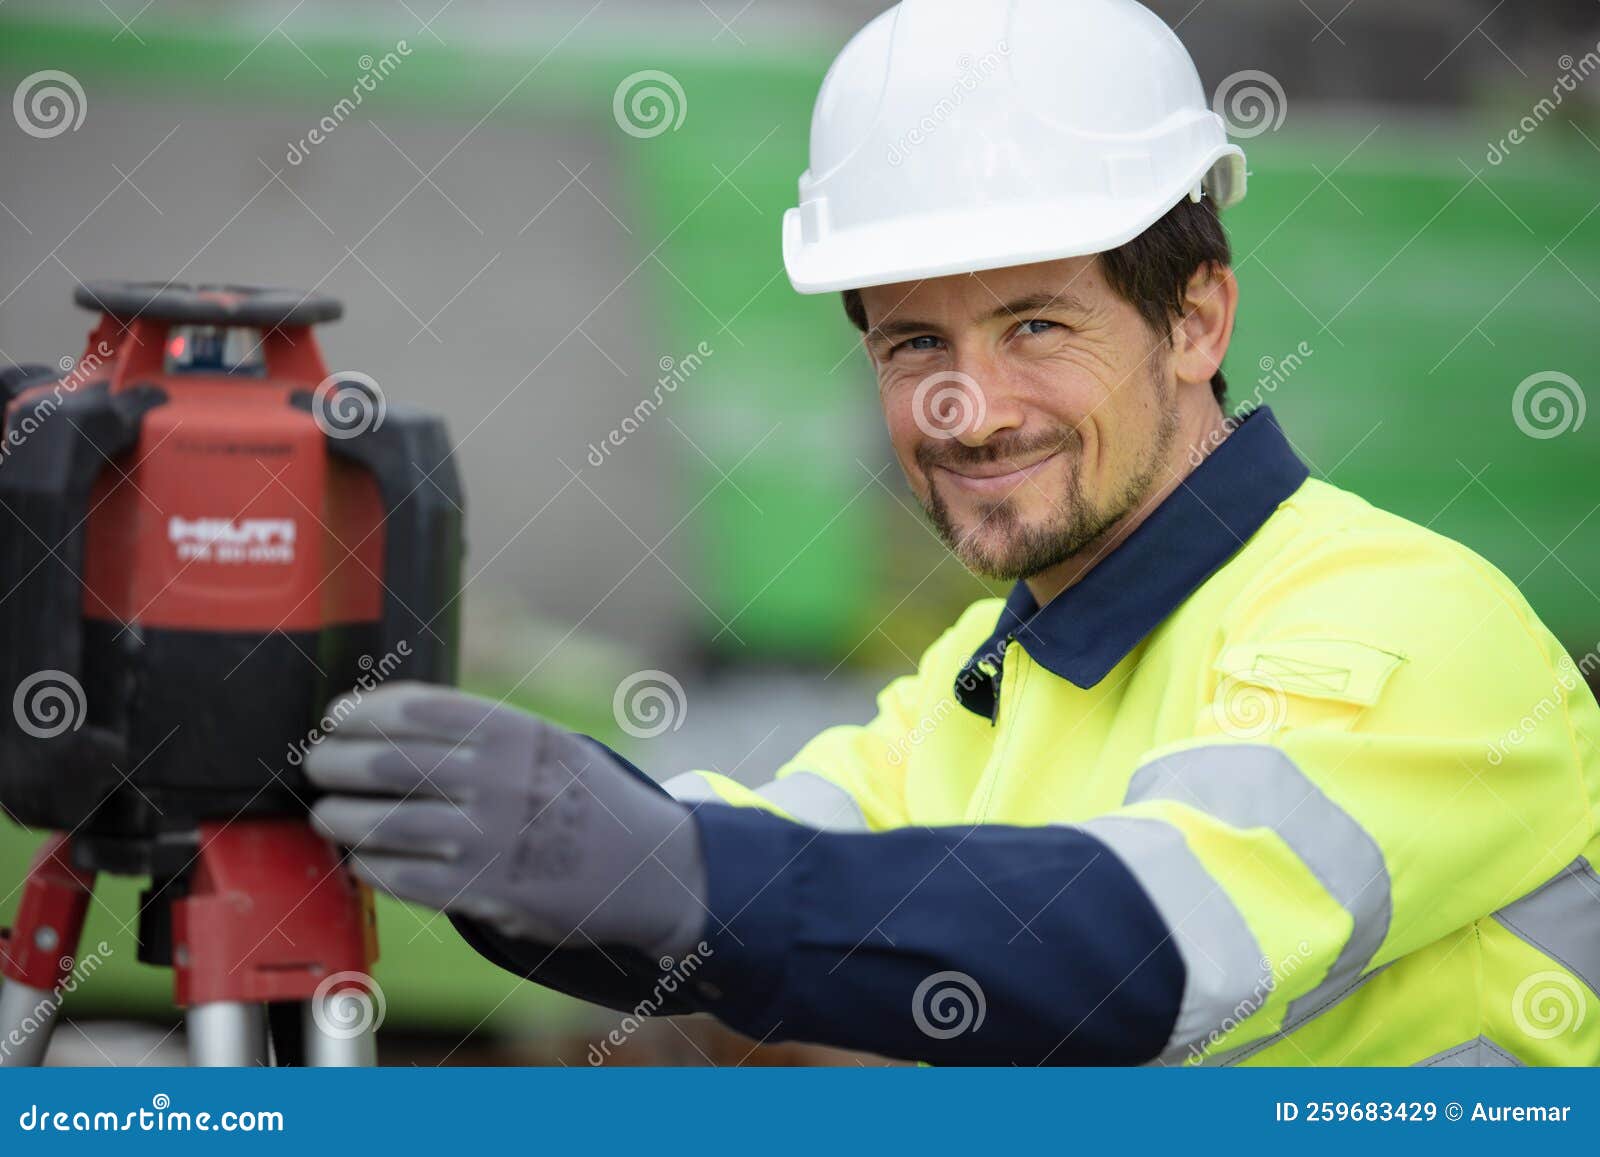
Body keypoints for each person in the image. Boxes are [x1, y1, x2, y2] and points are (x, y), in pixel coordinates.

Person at [303, 0, 1600, 1066]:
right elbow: (757, 867)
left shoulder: (1400, 618)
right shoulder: (996, 673)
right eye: (915, 341)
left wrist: (672, 865)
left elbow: (1131, 948)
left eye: (1036, 325)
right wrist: (454, 822)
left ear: (1197, 320)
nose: (966, 410)